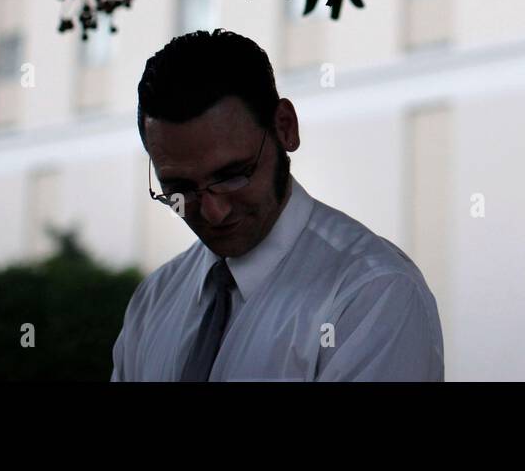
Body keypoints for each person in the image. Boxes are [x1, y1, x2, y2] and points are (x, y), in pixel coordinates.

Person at [110, 29, 444, 381]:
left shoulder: (373, 295)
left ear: (285, 127)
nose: (214, 212)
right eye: (179, 189)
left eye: (233, 175)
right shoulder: (153, 302)